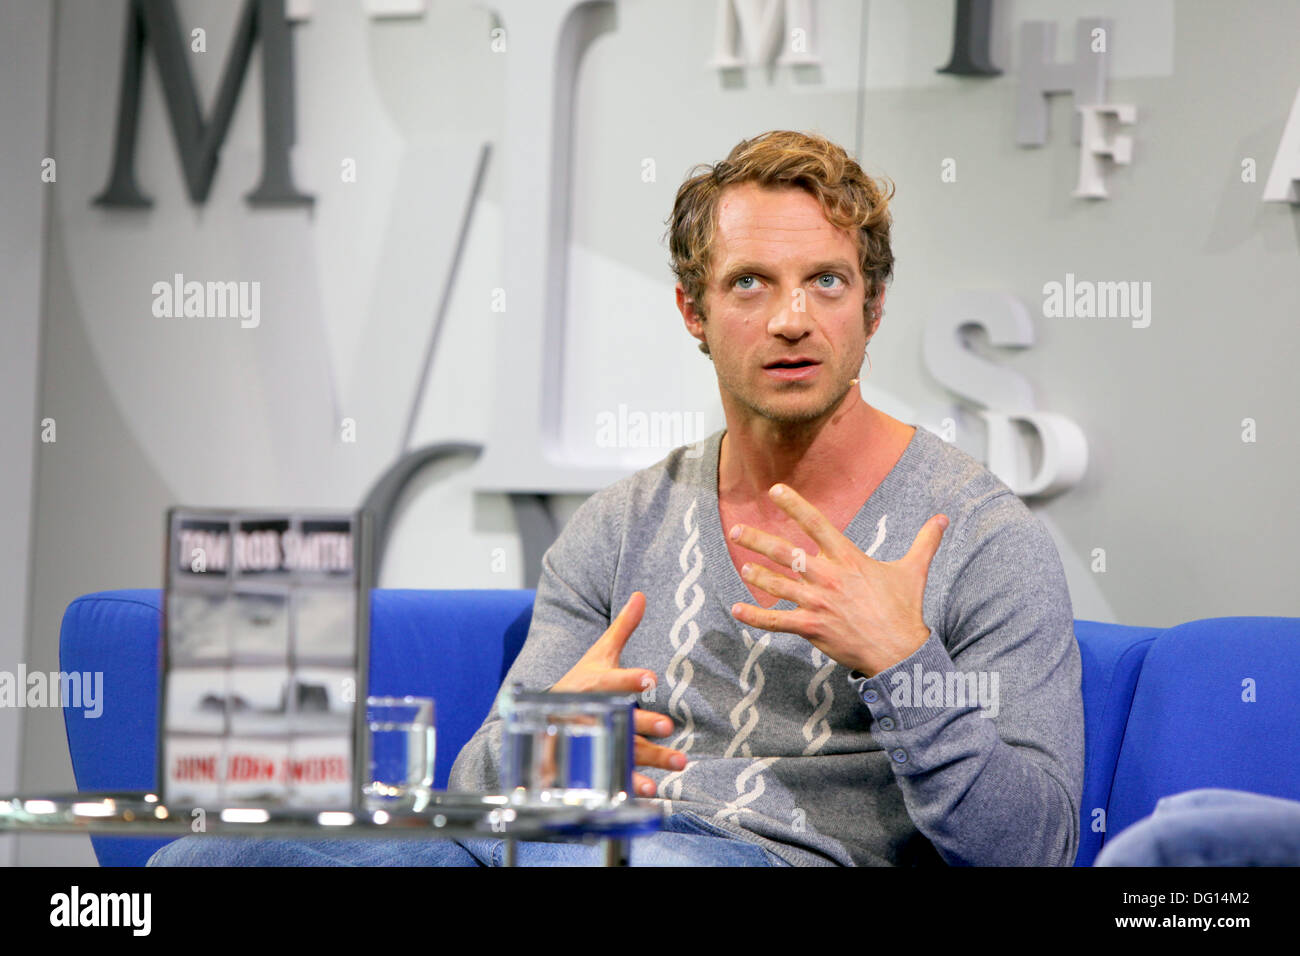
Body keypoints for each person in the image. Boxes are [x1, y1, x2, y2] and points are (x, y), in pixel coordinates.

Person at [150, 129, 1083, 867]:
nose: (792, 318)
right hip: (553, 846)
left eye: (826, 282)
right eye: (750, 283)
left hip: (757, 860)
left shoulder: (982, 539)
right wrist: (543, 746)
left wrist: (904, 663)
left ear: (871, 310)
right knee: (233, 850)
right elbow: (480, 790)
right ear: (695, 313)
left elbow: (1036, 847)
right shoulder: (620, 526)